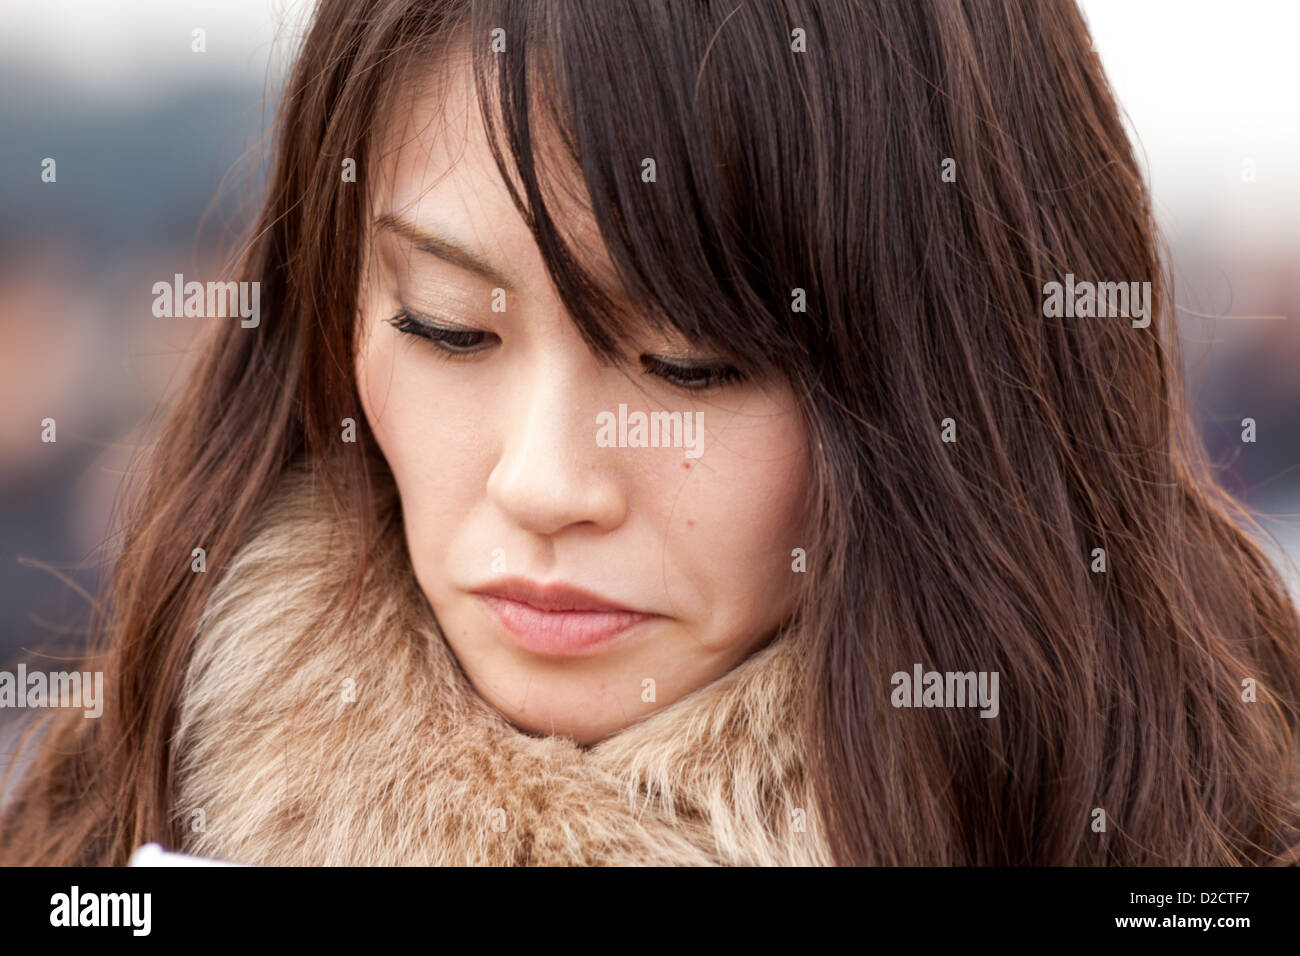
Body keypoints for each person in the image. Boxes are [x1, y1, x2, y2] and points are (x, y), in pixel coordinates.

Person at [3, 0, 1299, 866]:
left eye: (694, 364)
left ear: (951, 391)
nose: (547, 481)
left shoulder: (1210, 842)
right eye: (450, 328)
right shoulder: (107, 829)